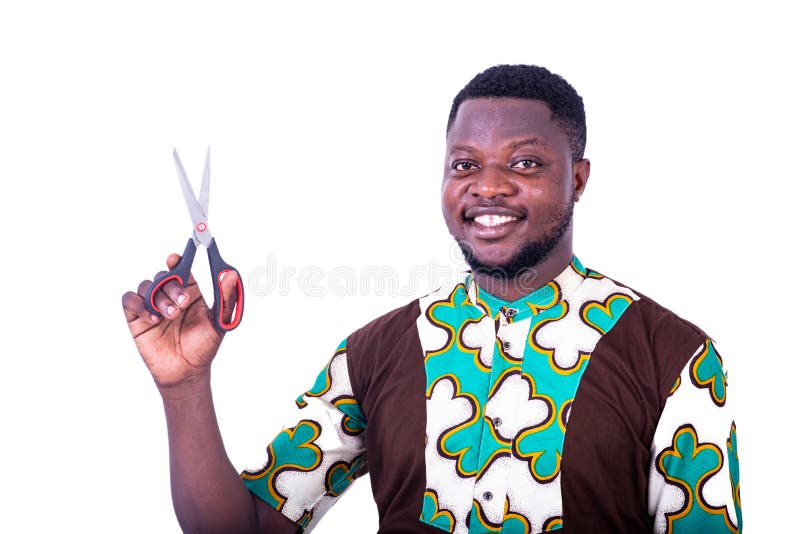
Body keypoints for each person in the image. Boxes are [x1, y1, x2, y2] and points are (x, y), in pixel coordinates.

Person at [122, 65, 742, 533]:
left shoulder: (674, 359)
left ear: (577, 179)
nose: (488, 187)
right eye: (465, 165)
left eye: (525, 163)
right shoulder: (374, 352)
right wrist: (184, 387)